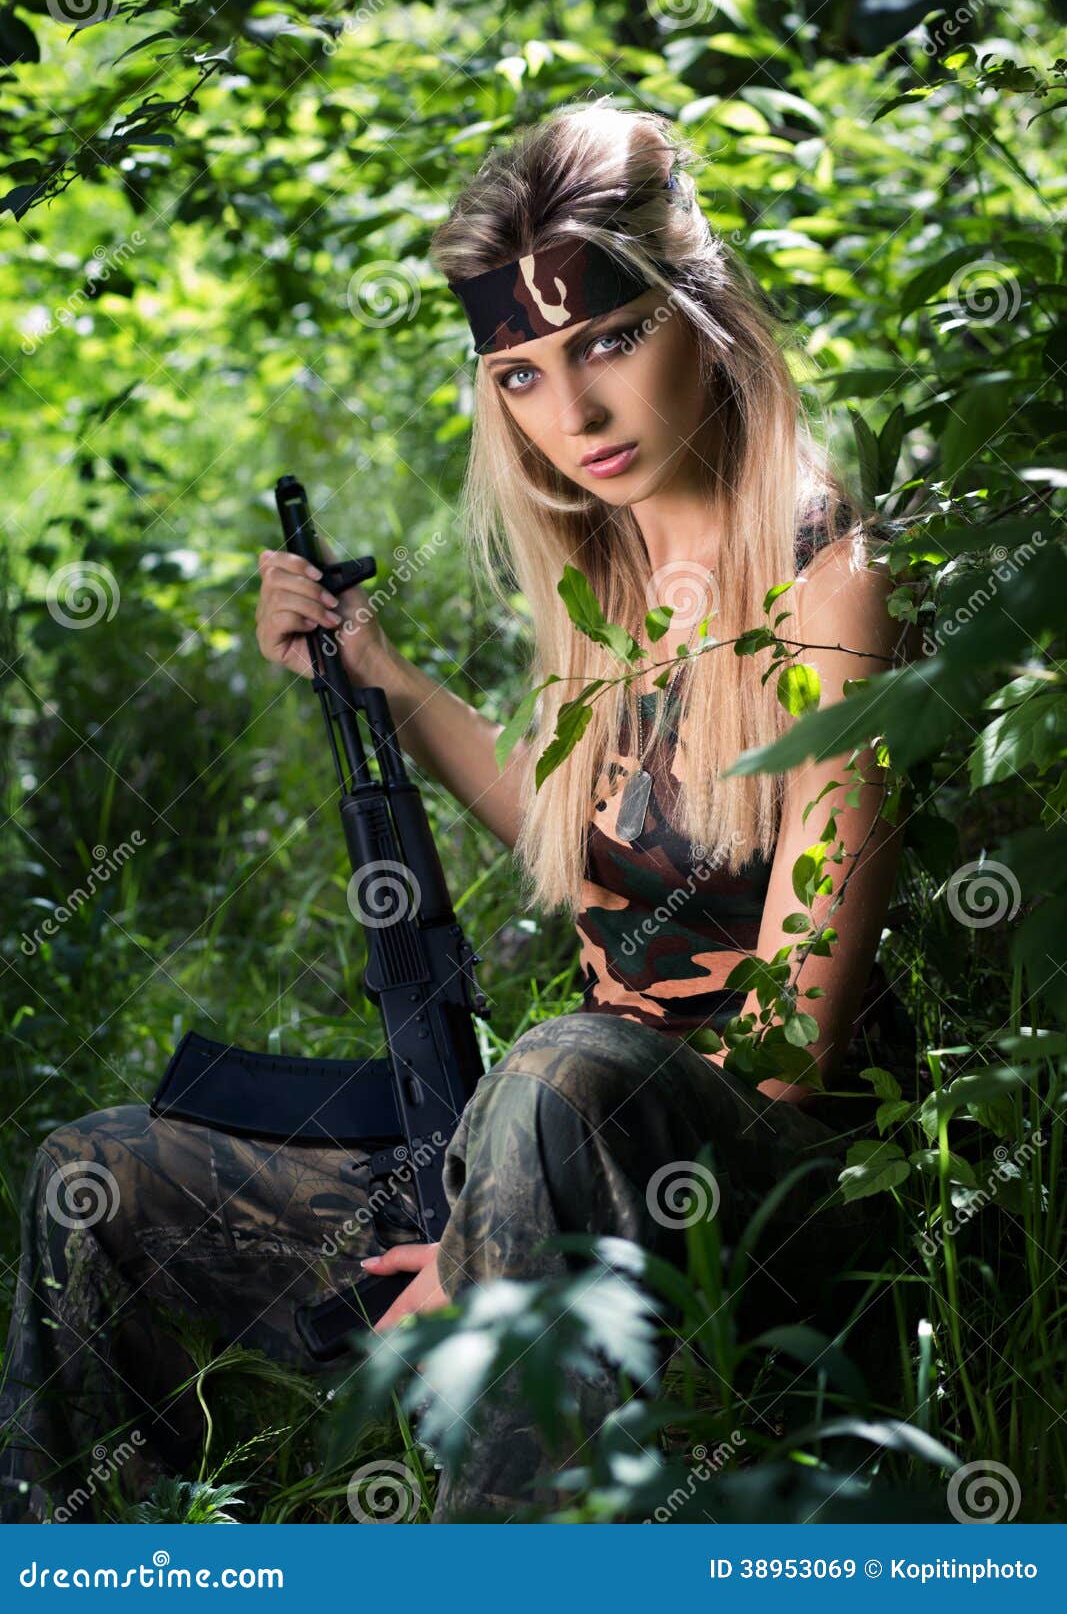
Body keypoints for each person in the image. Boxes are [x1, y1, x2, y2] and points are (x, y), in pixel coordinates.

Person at [0, 101, 908, 1527]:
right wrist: (382, 678)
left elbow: (796, 1041)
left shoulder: (824, 577)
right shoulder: (603, 572)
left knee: (547, 1075)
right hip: (551, 1153)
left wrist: (487, 1245)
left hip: (761, 1194)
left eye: (609, 340)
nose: (576, 413)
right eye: (522, 373)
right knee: (96, 1176)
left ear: (700, 309)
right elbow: (576, 843)